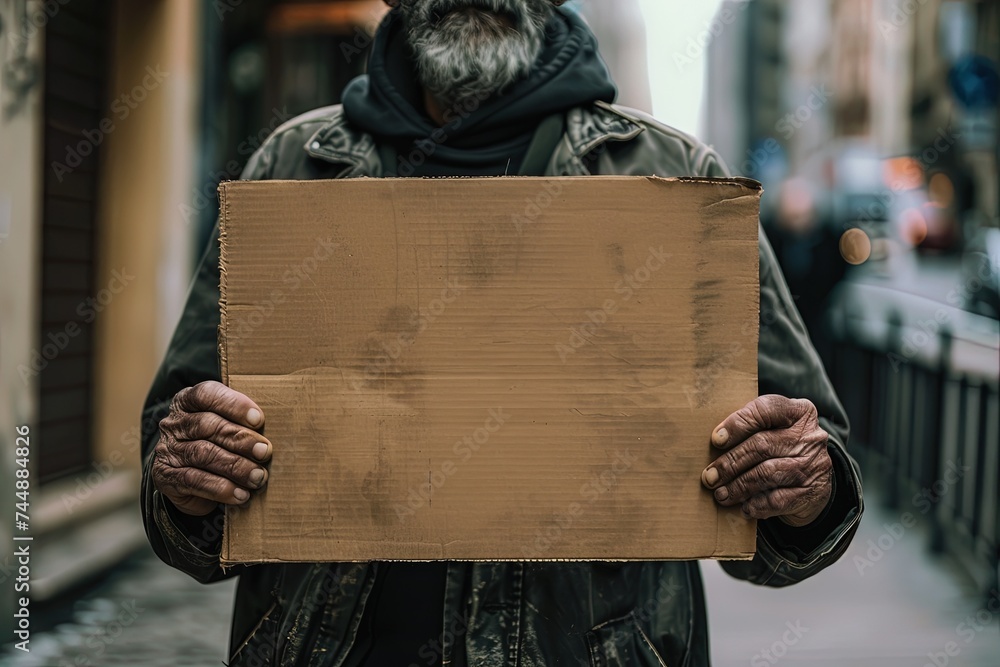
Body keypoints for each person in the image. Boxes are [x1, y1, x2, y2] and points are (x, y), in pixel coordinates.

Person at [140, 1, 864, 665]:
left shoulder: (671, 178)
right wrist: (188, 478)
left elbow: (805, 477)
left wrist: (804, 485)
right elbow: (177, 464)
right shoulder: (293, 171)